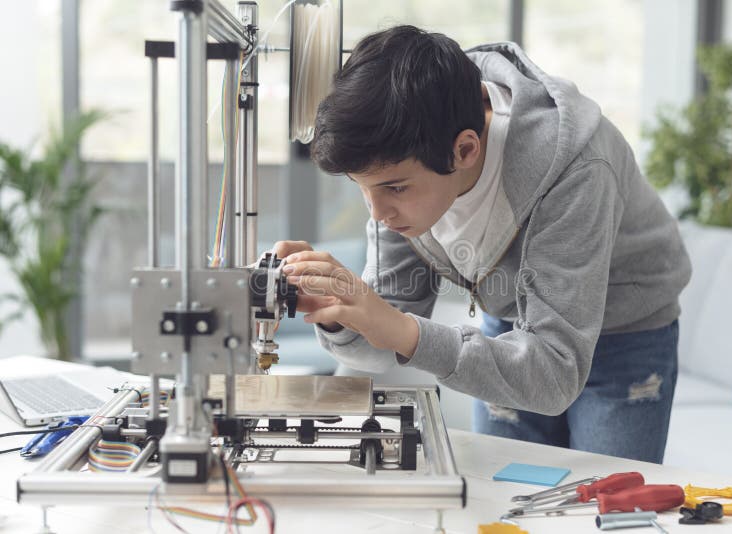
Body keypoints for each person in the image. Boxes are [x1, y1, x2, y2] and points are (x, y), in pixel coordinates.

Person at [274, 25, 692, 463]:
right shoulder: (401, 154)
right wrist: (340, 311)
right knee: (502, 498)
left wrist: (403, 330)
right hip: (512, 321)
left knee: (604, 507)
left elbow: (554, 372)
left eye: (394, 189)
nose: (377, 213)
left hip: (626, 331)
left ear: (465, 150)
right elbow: (384, 340)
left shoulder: (575, 169)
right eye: (364, 189)